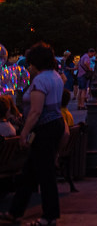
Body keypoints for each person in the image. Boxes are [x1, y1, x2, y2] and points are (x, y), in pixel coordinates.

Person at [0, 43, 66, 226]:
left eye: (30, 63)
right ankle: (15, 211)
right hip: (54, 124)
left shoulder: (40, 81)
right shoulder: (56, 77)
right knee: (30, 172)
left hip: (43, 128)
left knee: (45, 174)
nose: (28, 67)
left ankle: (49, 216)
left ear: (36, 62)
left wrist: (25, 133)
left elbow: (36, 111)